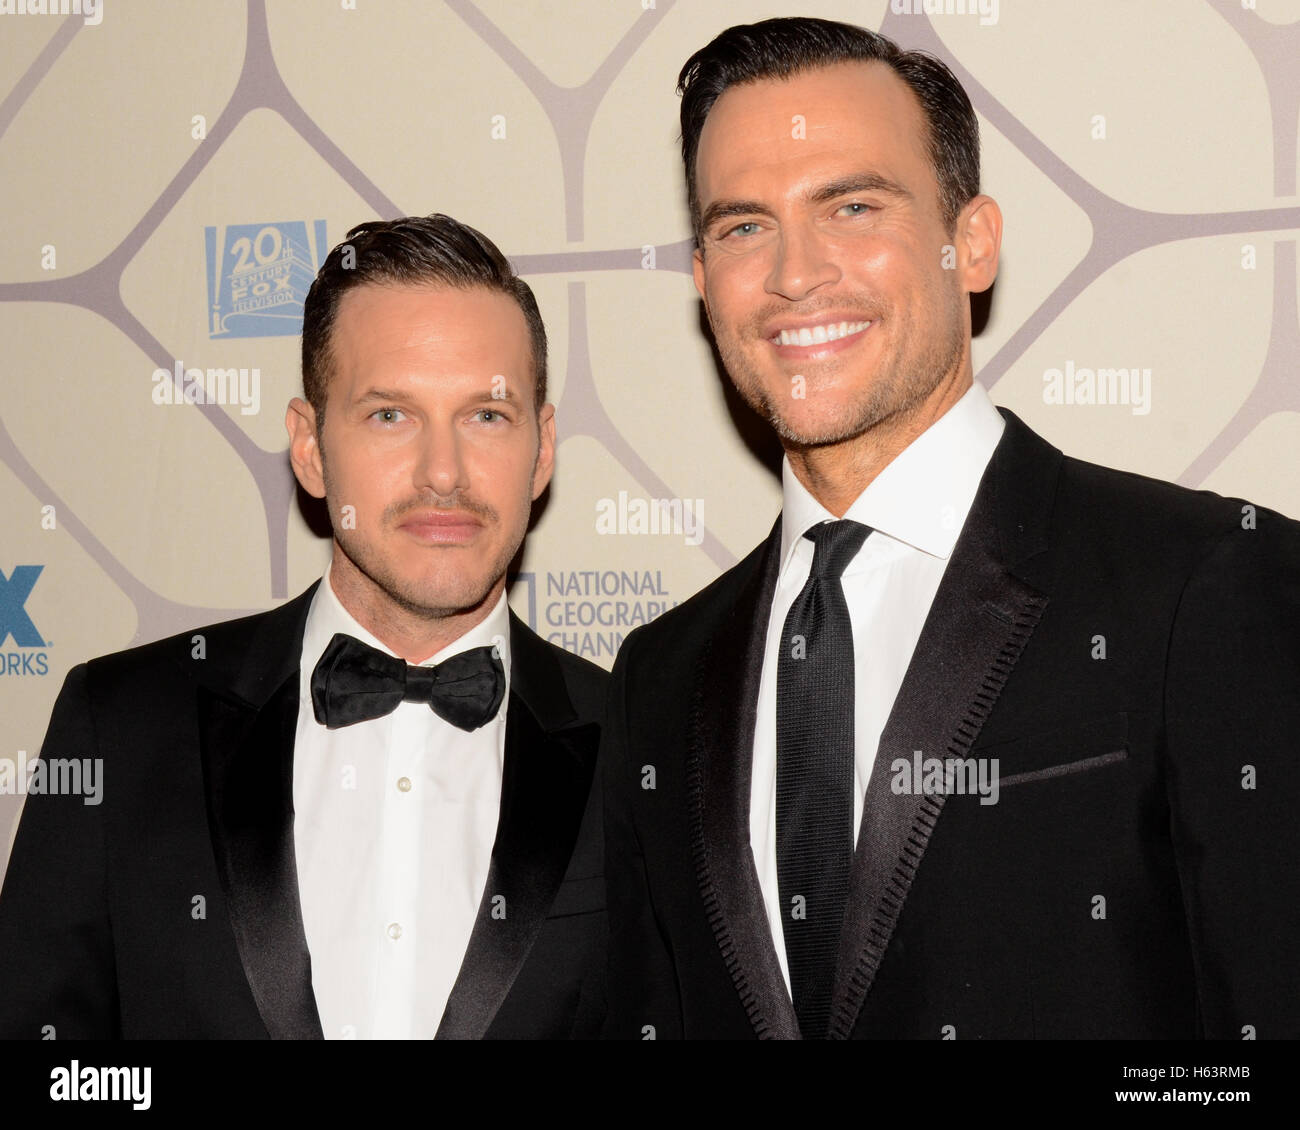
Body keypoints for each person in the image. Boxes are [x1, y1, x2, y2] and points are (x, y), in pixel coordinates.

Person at [601, 17, 1300, 1040]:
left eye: (851, 206)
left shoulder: (1205, 582)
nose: (795, 272)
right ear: (703, 277)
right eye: (743, 225)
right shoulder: (659, 677)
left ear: (969, 242)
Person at [0, 214, 607, 1040]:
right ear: (312, 448)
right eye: (390, 415)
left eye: (487, 417)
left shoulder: (640, 747)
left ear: (542, 451)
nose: (443, 472)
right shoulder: (122, 725)